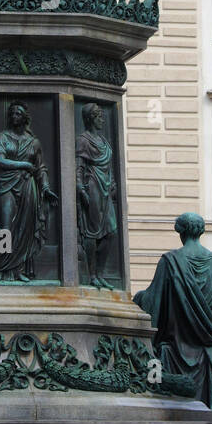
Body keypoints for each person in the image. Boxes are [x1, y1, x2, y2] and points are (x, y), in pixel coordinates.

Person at [135, 214, 212, 414]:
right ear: (202, 231)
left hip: (177, 345)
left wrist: (138, 298)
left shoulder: (170, 261)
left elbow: (154, 302)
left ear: (180, 232)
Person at [0, 101, 57, 281]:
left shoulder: (33, 143)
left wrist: (46, 188)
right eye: (11, 113)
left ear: (24, 117)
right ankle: (1, 265)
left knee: (24, 230)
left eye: (17, 113)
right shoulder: (2, 137)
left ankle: (17, 269)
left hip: (28, 187)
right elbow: (0, 161)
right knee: (6, 227)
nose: (13, 116)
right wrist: (25, 165)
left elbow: (41, 168)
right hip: (5, 185)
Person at [76, 102, 119, 288]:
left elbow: (109, 166)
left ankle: (100, 273)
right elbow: (78, 167)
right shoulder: (83, 140)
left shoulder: (104, 141)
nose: (102, 119)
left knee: (111, 232)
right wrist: (80, 188)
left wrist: (113, 183)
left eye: (102, 115)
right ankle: (91, 274)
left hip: (106, 188)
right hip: (92, 185)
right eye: (99, 116)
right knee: (92, 233)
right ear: (91, 118)